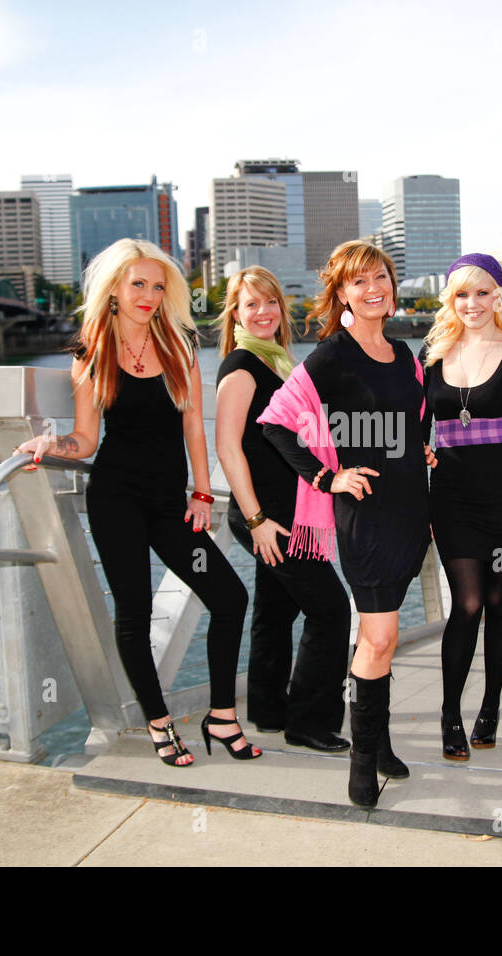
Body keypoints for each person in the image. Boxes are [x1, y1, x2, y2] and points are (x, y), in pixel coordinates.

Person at [14, 238, 255, 767]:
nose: (149, 294)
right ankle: (159, 722)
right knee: (135, 612)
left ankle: (220, 714)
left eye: (158, 285)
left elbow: (194, 421)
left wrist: (200, 489)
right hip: (116, 500)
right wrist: (52, 444)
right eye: (138, 284)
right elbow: (86, 438)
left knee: (230, 597)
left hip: (172, 504)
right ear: (115, 291)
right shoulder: (92, 350)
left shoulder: (178, 346)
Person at [258, 240, 430, 808]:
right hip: (366, 515)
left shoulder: (407, 356)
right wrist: (326, 477)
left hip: (411, 511)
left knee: (384, 636)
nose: (373, 287)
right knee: (378, 636)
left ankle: (377, 743)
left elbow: (414, 423)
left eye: (380, 276)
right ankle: (362, 764)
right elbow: (276, 423)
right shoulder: (330, 355)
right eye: (359, 281)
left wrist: (421, 450)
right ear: (340, 293)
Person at [214, 266, 352, 752]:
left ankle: (269, 710)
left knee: (275, 609)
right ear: (235, 312)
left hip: (284, 509)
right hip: (265, 515)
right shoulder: (241, 368)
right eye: (251, 304)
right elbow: (228, 448)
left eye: (270, 302)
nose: (263, 312)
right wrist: (256, 521)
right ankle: (309, 722)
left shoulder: (277, 363)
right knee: (330, 608)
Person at [420, 254, 502, 761]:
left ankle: (490, 706)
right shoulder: (431, 357)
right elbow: (412, 427)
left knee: (499, 603)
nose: (472, 304)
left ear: (499, 295)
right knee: (467, 605)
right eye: (461, 295)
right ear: (451, 301)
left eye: (482, 293)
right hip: (452, 501)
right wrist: (419, 453)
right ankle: (449, 713)